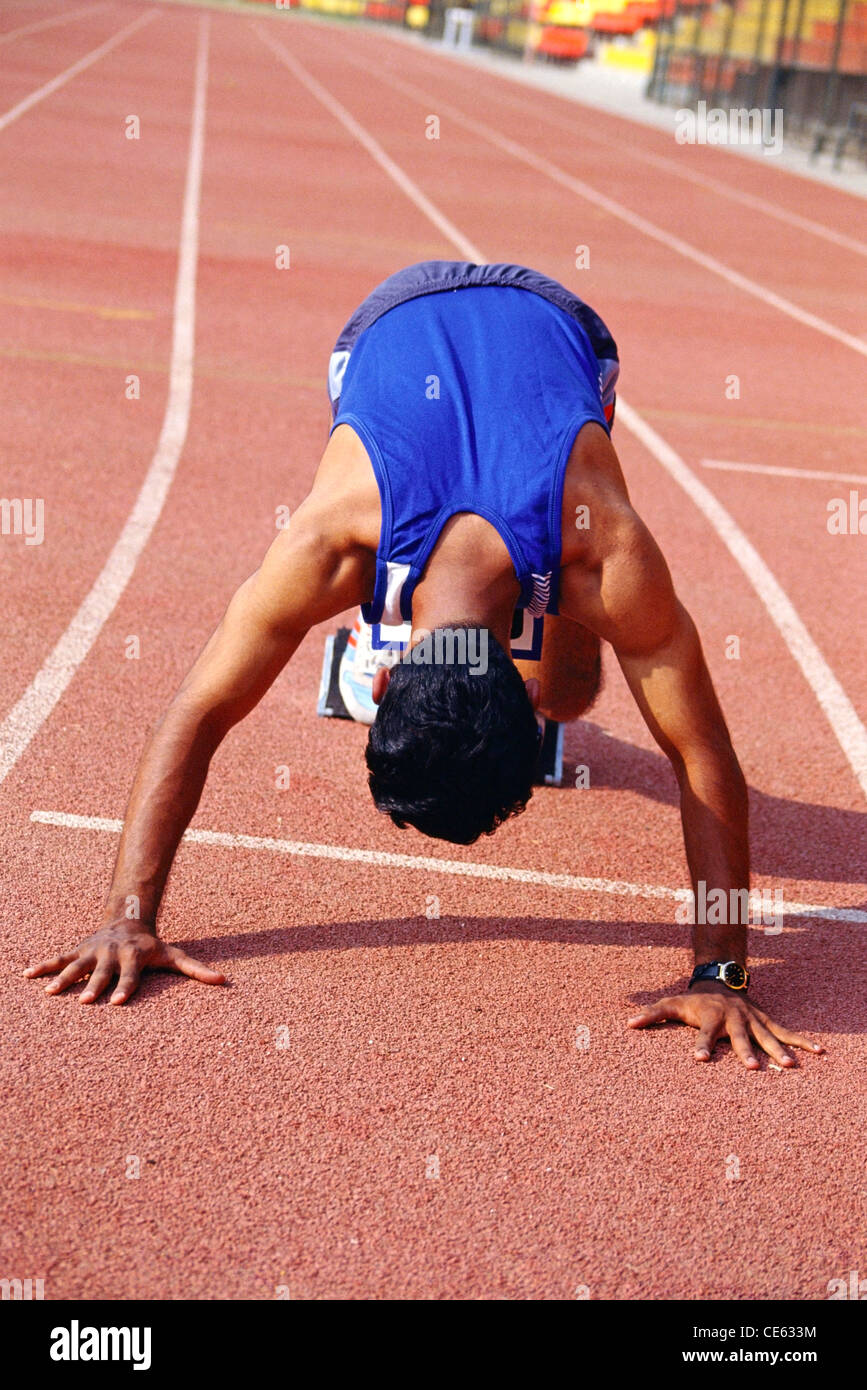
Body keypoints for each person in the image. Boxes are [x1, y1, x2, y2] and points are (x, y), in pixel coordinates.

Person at [25, 260, 823, 1071]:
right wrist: (127, 916)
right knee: (584, 650)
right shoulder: (330, 540)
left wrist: (721, 974)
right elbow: (191, 716)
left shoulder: (603, 554)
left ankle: (540, 657)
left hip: (528, 348)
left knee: (579, 692)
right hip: (420, 347)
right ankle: (468, 644)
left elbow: (703, 754)